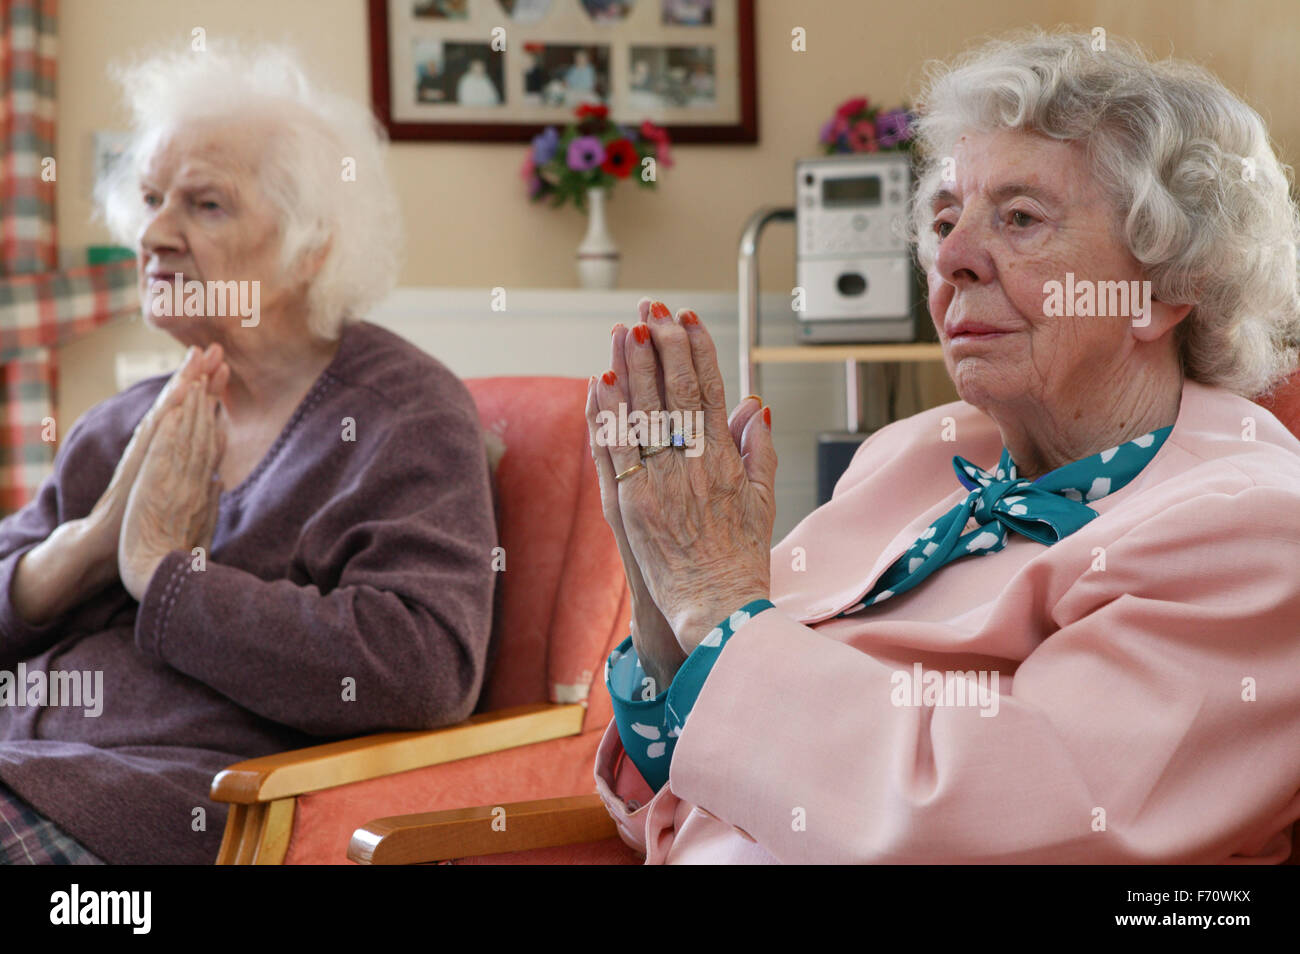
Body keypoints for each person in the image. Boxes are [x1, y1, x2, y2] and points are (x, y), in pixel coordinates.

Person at [585, 29, 1300, 863]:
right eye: (945, 220)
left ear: (1168, 286)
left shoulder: (1255, 533)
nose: (951, 259)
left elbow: (1015, 819)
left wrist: (711, 595)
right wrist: (664, 591)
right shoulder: (913, 456)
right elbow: (695, 775)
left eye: (1021, 218)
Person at [0, 44, 497, 864]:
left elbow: (424, 665)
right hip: (29, 769)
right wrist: (83, 552)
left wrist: (164, 574)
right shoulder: (123, 422)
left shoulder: (400, 417)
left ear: (312, 246)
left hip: (176, 810)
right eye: (152, 198)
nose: (154, 233)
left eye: (205, 205)